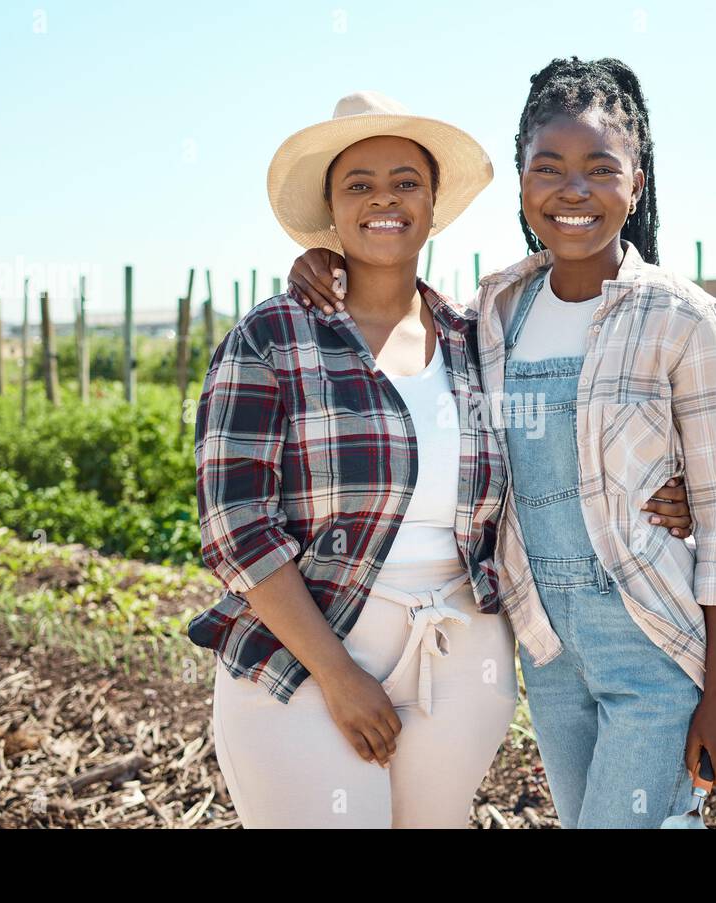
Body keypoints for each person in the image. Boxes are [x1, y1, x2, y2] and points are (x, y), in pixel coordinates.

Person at [288, 58, 716, 828]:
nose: (573, 190)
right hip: (546, 653)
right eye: (549, 168)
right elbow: (399, 316)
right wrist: (325, 264)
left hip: (653, 651)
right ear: (521, 185)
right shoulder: (495, 310)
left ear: (636, 184)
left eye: (600, 169)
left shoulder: (685, 321)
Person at [189, 91, 515, 828]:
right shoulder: (273, 335)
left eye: (406, 182)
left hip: (461, 657)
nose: (384, 200)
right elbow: (234, 521)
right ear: (332, 211)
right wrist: (336, 673)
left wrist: (665, 490)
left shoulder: (476, 339)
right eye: (358, 185)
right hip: (306, 650)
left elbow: (559, 450)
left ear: (433, 204)